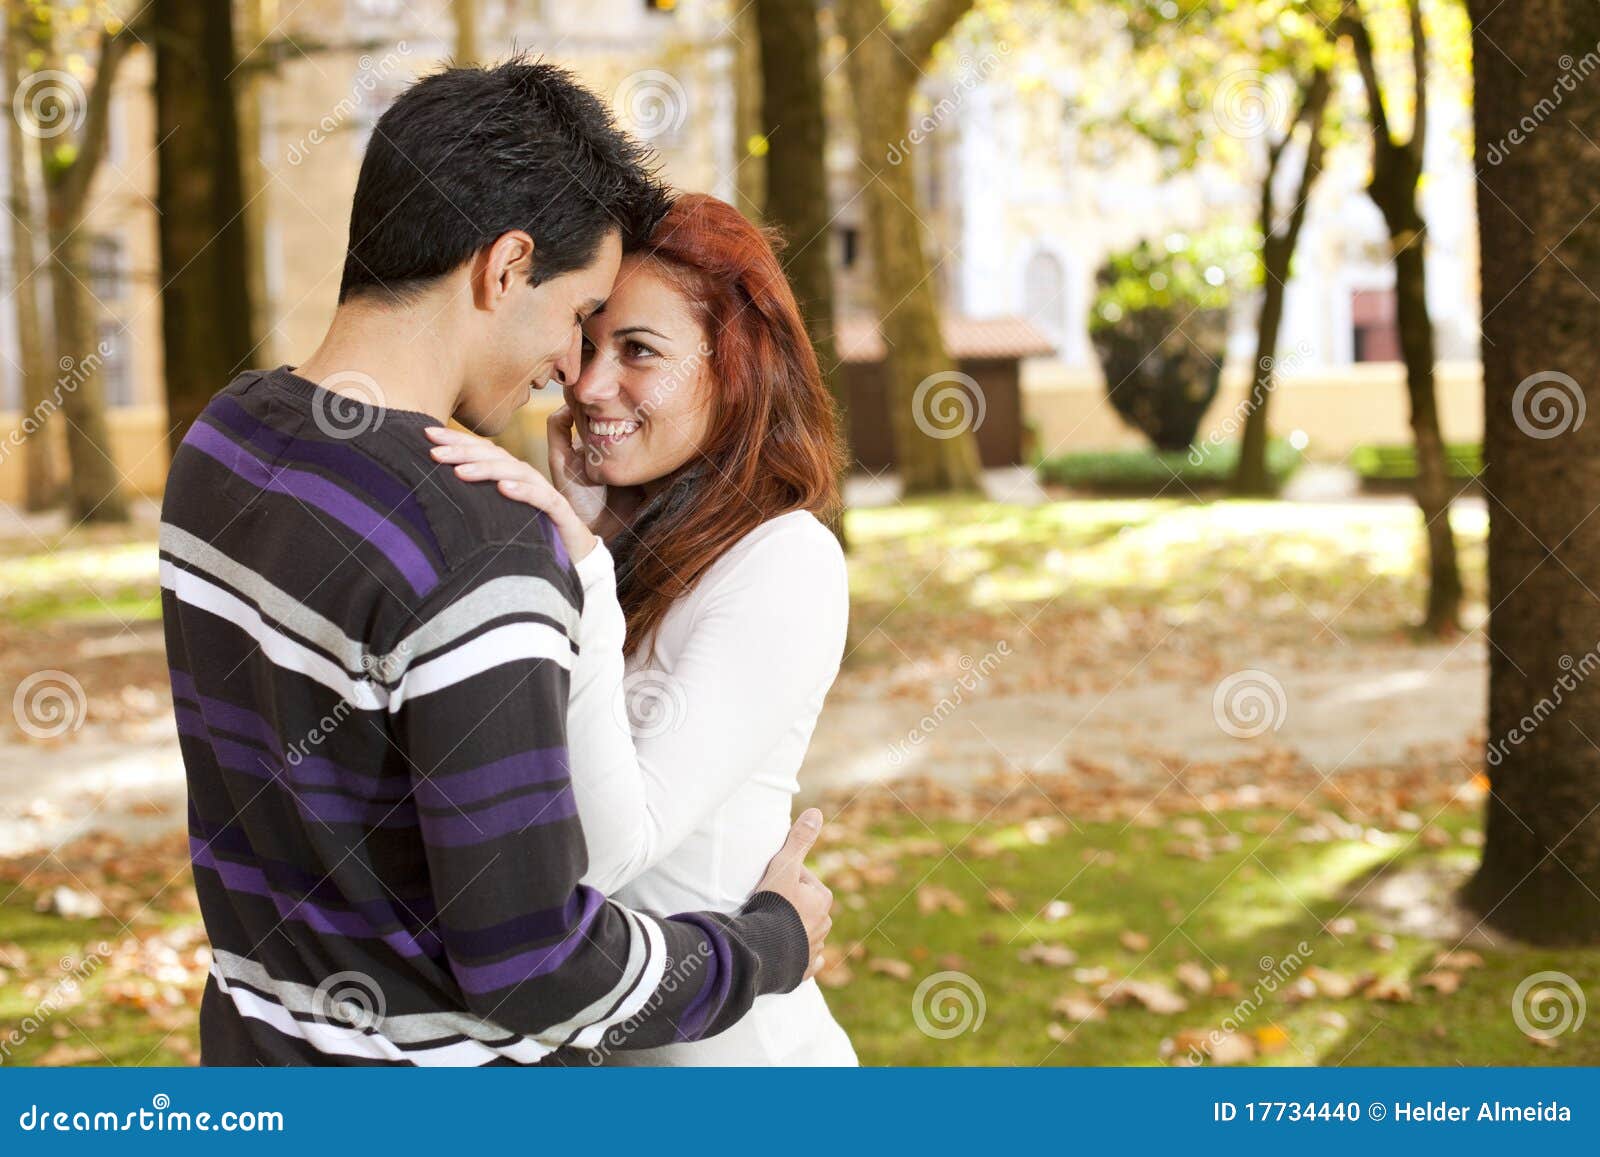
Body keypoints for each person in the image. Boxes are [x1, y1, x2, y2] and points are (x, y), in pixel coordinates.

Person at [159, 58, 831, 1066]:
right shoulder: (480, 549)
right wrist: (770, 942)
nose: (573, 372)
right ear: (505, 266)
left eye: (628, 346)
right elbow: (537, 971)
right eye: (577, 319)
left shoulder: (221, 445)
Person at [427, 192, 857, 1064]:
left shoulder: (786, 559)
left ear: (732, 364)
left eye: (639, 351)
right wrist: (584, 546)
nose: (587, 382)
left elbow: (611, 851)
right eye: (588, 340)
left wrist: (580, 558)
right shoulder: (621, 550)